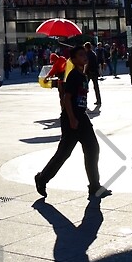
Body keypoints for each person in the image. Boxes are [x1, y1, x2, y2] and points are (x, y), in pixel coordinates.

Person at [33, 45, 113, 201]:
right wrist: (72, 119)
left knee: (92, 148)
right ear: (74, 59)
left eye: (85, 54)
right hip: (73, 118)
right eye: (81, 55)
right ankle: (42, 178)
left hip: (82, 117)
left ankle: (94, 186)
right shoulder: (74, 76)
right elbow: (67, 99)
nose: (85, 57)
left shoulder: (82, 75)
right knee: (64, 153)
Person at [83, 41, 102, 107]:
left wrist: (84, 71)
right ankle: (99, 100)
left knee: (84, 87)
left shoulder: (87, 54)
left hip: (89, 72)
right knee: (96, 87)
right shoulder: (93, 53)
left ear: (86, 47)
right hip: (95, 72)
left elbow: (87, 63)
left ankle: (84, 101)